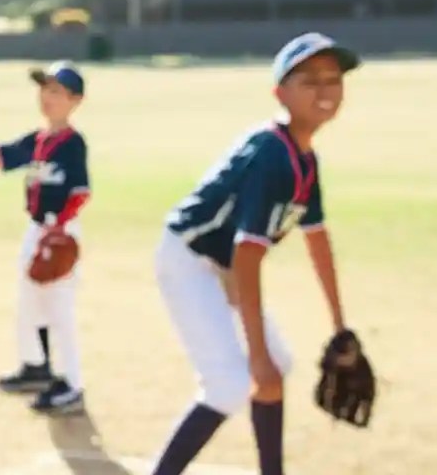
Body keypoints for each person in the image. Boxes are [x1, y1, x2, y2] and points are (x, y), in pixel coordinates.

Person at [149, 32, 360, 475]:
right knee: (231, 384)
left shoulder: (304, 159)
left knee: (275, 368)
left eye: (333, 79)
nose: (325, 90)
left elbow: (317, 240)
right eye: (310, 80)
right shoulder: (272, 155)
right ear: (280, 92)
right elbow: (247, 254)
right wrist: (256, 353)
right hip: (188, 258)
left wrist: (340, 326)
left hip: (221, 263)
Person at [0, 62, 92, 415]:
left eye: (57, 91)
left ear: (75, 100)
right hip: (36, 229)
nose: (47, 97)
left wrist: (59, 226)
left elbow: (81, 191)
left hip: (59, 231)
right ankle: (35, 366)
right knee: (29, 303)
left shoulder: (73, 144)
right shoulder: (38, 140)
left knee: (59, 309)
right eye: (44, 89)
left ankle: (72, 383)